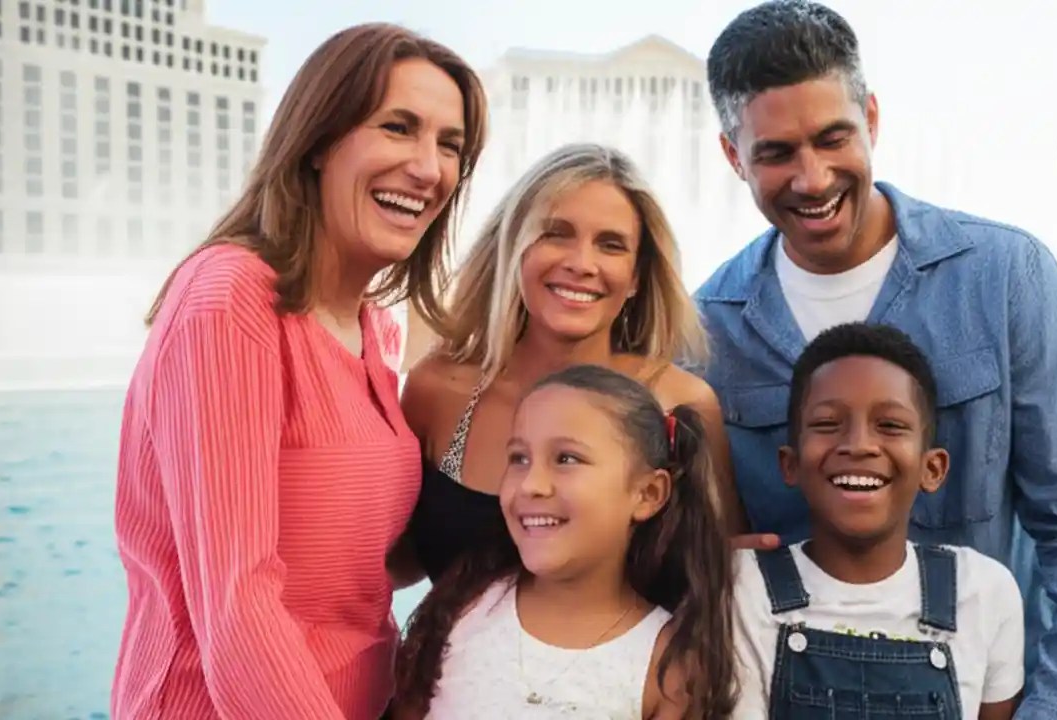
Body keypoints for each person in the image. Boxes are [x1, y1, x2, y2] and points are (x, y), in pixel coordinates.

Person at [694, 2, 1057, 717]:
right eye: (777, 153)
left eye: (833, 138)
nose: (812, 179)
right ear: (732, 155)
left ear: (871, 119)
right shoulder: (706, 330)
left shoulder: (1007, 278)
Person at [110, 24, 487, 720]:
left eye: (450, 145)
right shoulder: (230, 301)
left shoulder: (375, 328)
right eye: (398, 128)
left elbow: (370, 562)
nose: (429, 168)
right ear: (317, 141)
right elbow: (238, 605)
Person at [390, 143, 754, 588]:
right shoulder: (438, 389)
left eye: (611, 245)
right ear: (515, 248)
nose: (582, 264)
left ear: (638, 276)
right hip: (454, 656)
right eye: (556, 234)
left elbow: (722, 569)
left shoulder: (679, 402)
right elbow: (391, 560)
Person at [392, 365, 736, 719]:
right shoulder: (461, 608)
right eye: (519, 458)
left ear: (648, 493)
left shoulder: (668, 668)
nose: (530, 484)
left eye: (567, 459)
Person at [734, 322, 1024, 719]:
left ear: (933, 468)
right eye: (826, 424)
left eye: (890, 425)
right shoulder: (744, 587)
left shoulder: (984, 592)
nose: (859, 445)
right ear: (791, 463)